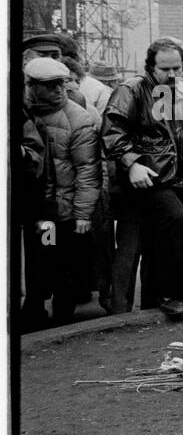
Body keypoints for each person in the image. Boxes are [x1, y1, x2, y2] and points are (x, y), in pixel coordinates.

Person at [101, 37, 183, 319]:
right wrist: (132, 163)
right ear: (150, 66)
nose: (173, 74)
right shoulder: (131, 90)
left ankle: (154, 299)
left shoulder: (176, 92)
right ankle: (169, 294)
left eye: (178, 68)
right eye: (165, 69)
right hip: (144, 178)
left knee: (159, 235)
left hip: (170, 176)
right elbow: (112, 133)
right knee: (174, 217)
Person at [21, 57, 100, 327]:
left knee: (63, 262)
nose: (58, 90)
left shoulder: (77, 119)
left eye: (61, 84)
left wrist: (82, 214)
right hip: (38, 208)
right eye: (51, 85)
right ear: (33, 86)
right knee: (39, 259)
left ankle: (60, 315)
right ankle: (36, 308)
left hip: (60, 211)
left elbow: (88, 170)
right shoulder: (24, 112)